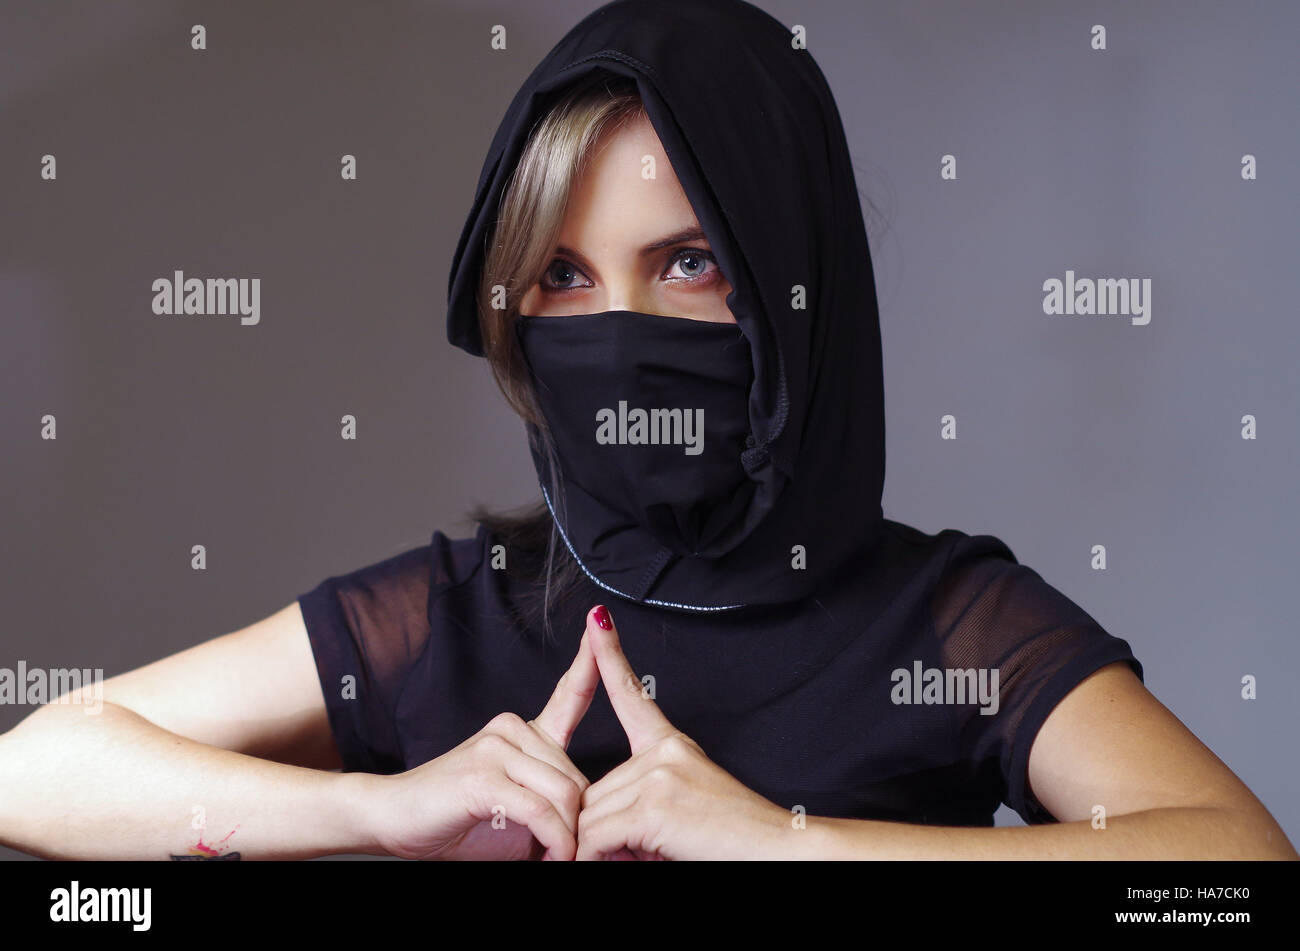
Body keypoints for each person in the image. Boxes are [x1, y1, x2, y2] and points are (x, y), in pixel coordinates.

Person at [1, 0, 1294, 862]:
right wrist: (372, 808)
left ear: (794, 288)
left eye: (682, 263)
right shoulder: (458, 613)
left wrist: (792, 845)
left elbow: (1229, 870)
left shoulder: (946, 624)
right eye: (563, 277)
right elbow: (35, 771)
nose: (616, 334)